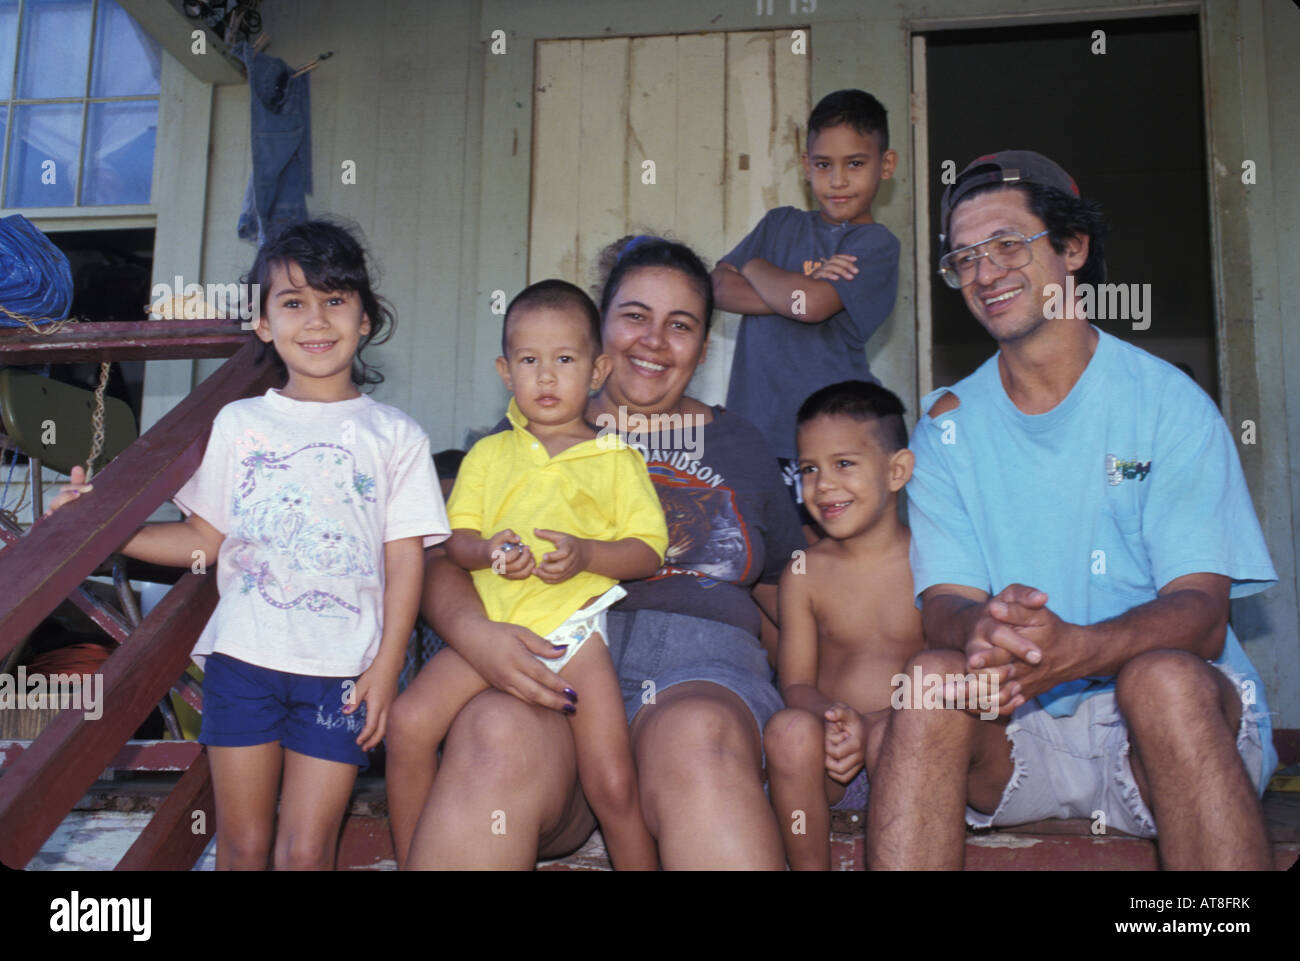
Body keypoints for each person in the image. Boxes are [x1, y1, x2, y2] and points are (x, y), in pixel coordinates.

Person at [868, 150, 1278, 870]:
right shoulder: (945, 426)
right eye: (963, 258)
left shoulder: (1166, 404)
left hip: (1165, 729)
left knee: (1164, 677)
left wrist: (1075, 651)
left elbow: (1203, 613)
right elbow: (945, 604)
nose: (985, 272)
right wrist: (984, 625)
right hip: (1022, 726)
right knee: (933, 677)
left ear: (1073, 248)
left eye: (1006, 244)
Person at [386, 236, 805, 869]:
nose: (654, 340)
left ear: (704, 347)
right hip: (543, 663)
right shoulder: (519, 439)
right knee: (494, 734)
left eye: (681, 324)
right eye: (635, 316)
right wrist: (479, 638)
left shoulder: (741, 444)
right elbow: (447, 559)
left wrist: (813, 698)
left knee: (697, 742)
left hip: (698, 674)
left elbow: (789, 592)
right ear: (599, 331)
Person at [46, 220, 449, 870]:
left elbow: (407, 559)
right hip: (243, 662)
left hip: (342, 674)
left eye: (335, 299)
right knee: (242, 844)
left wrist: (386, 665)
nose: (315, 318)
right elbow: (203, 538)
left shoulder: (395, 436)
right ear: (263, 325)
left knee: (307, 849)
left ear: (366, 318)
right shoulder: (239, 423)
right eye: (292, 302)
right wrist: (99, 533)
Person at [393, 280, 667, 870]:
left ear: (597, 371)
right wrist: (491, 549)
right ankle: (413, 856)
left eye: (564, 360)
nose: (546, 377)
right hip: (493, 629)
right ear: (504, 370)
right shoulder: (489, 457)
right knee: (408, 724)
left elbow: (647, 551)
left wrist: (589, 556)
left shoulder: (616, 459)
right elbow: (454, 542)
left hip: (574, 636)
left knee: (614, 782)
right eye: (529, 360)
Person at [712, 89, 900, 526]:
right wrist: (798, 287)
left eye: (855, 163)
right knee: (755, 552)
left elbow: (811, 305)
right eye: (823, 165)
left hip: (829, 444)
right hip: (753, 434)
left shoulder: (874, 245)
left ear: (885, 165)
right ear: (805, 165)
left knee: (820, 553)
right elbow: (718, 286)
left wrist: (754, 266)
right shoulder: (781, 223)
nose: (837, 181)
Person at [763, 380, 922, 870]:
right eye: (809, 469)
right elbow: (796, 684)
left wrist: (873, 725)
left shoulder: (935, 562)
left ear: (896, 470)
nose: (823, 485)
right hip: (829, 763)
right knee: (788, 729)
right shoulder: (805, 572)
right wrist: (833, 720)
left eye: (844, 464)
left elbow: (950, 676)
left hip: (913, 752)